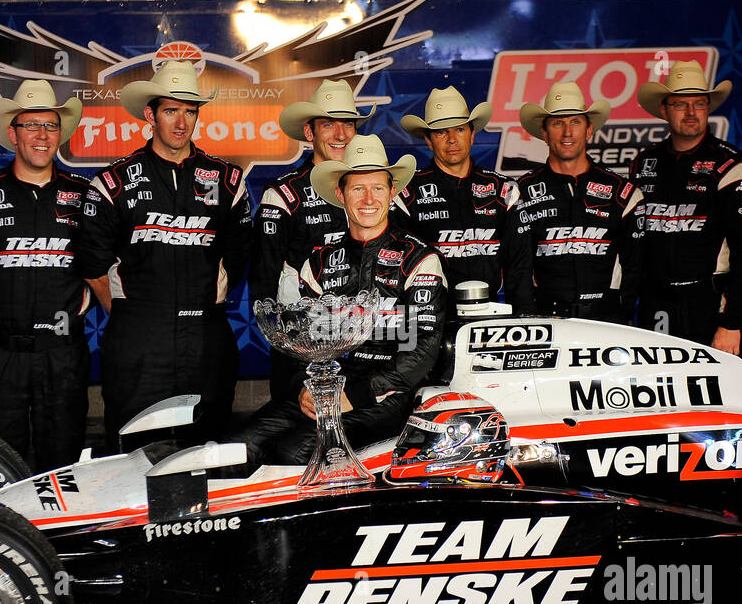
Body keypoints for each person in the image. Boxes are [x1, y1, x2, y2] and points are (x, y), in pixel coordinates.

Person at [234, 135, 446, 466]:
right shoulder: (317, 262)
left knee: (294, 451)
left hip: (385, 397)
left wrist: (356, 395)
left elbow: (423, 351)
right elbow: (300, 342)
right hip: (325, 390)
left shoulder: (418, 259)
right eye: (357, 188)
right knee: (239, 446)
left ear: (392, 193)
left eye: (378, 188)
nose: (368, 199)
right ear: (340, 194)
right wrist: (308, 388)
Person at [79, 59, 252, 449]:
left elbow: (238, 256)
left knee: (208, 452)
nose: (181, 122)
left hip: (207, 335)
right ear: (150, 114)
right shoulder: (113, 182)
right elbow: (92, 265)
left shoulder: (227, 180)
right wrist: (131, 314)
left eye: (189, 111)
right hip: (138, 338)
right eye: (170, 110)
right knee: (135, 454)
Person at [0, 80, 91, 471]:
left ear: (60, 134)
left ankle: (61, 533)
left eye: (50, 126)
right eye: (31, 126)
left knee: (64, 464)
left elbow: (99, 265)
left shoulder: (85, 196)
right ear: (12, 133)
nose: (42, 136)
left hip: (63, 353)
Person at [249, 79, 372, 398]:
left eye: (348, 123)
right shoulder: (283, 194)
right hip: (302, 350)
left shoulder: (376, 189)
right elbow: (263, 279)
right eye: (328, 124)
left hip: (368, 349)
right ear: (309, 132)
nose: (341, 134)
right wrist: (292, 345)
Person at [630, 61, 742, 353]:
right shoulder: (643, 163)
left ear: (708, 107)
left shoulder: (734, 167)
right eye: (680, 104)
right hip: (657, 303)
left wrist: (732, 323)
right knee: (662, 391)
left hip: (711, 306)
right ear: (664, 110)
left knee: (718, 397)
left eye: (699, 103)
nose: (691, 113)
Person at [513, 81, 643, 320]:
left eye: (575, 122)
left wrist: (624, 314)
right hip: (545, 322)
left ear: (589, 129)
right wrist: (527, 317)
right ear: (543, 132)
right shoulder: (521, 192)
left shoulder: (622, 193)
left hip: (608, 321)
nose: (567, 133)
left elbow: (635, 267)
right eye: (557, 123)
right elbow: (518, 268)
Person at [395, 86, 531, 313]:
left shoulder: (504, 190)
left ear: (472, 134)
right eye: (440, 132)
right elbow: (399, 270)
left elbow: (520, 269)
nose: (451, 140)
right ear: (428, 141)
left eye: (459, 129)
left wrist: (523, 320)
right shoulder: (408, 194)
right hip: (431, 318)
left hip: (493, 318)